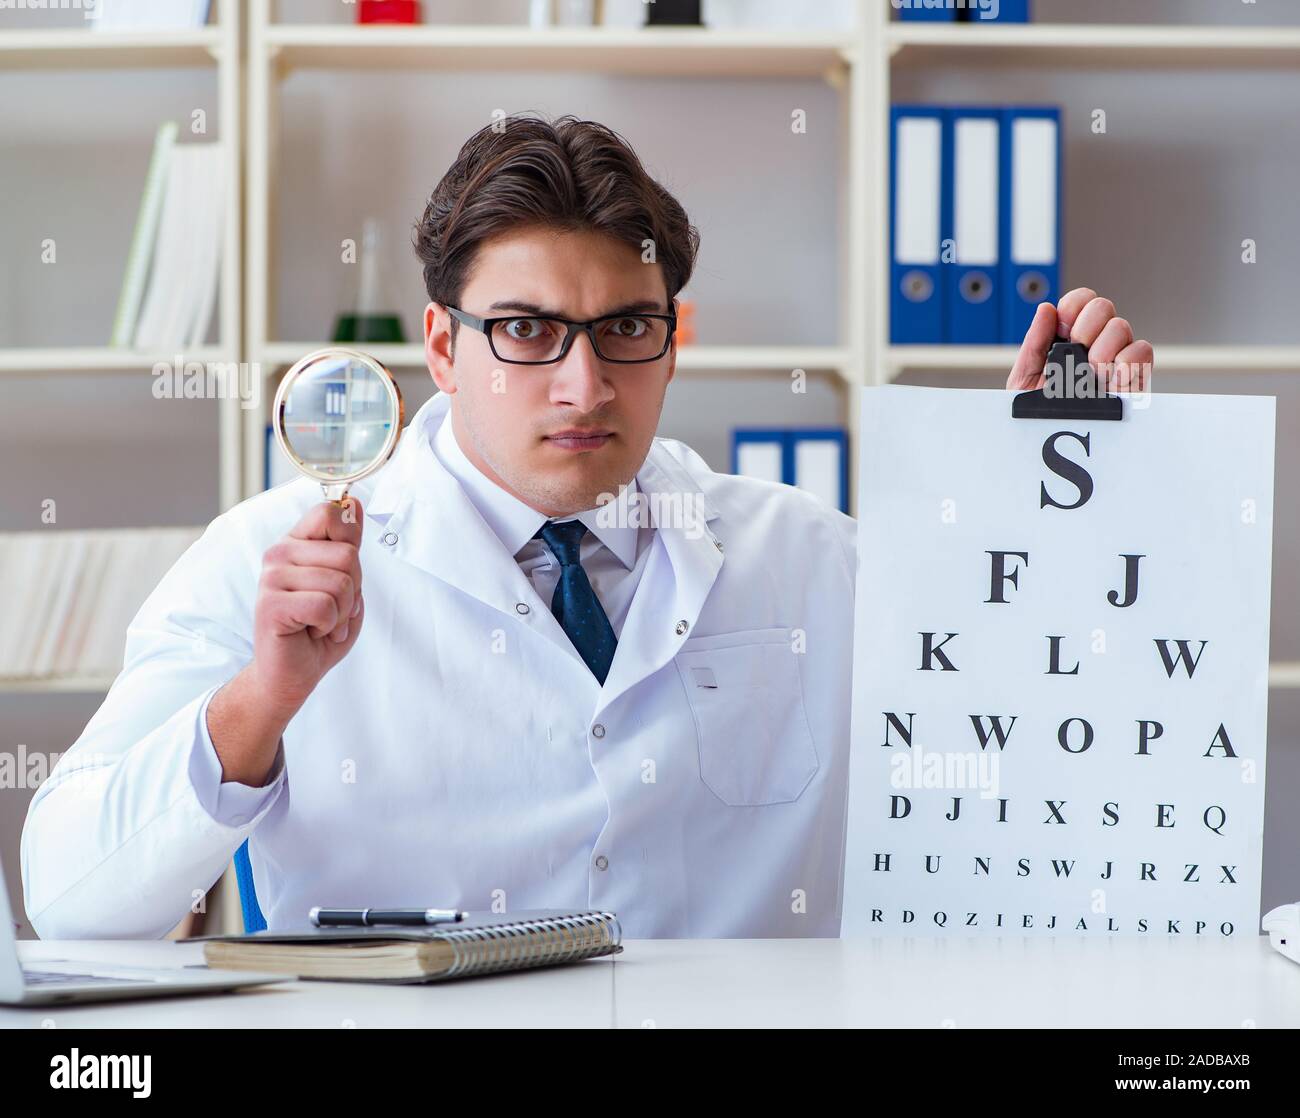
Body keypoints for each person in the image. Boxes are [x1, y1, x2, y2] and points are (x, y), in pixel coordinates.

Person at [21, 114, 1153, 939]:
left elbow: (1031, 751)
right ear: (442, 344)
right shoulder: (268, 561)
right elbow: (72, 898)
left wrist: (1055, 501)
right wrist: (257, 706)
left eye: (625, 329)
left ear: (675, 334)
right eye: (524, 330)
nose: (583, 385)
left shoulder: (808, 555)